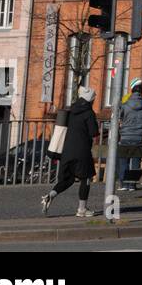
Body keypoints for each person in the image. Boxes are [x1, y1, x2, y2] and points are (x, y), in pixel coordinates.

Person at [41, 87, 99, 218]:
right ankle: (82, 209)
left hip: (66, 151)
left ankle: (50, 195)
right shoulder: (89, 113)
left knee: (68, 179)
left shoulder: (71, 110)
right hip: (82, 151)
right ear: (90, 100)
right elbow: (94, 132)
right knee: (86, 178)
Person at [116, 78, 142, 191]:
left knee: (123, 159)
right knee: (136, 160)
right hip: (139, 137)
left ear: (131, 90)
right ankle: (132, 184)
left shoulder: (124, 104)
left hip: (125, 136)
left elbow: (119, 116)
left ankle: (123, 183)